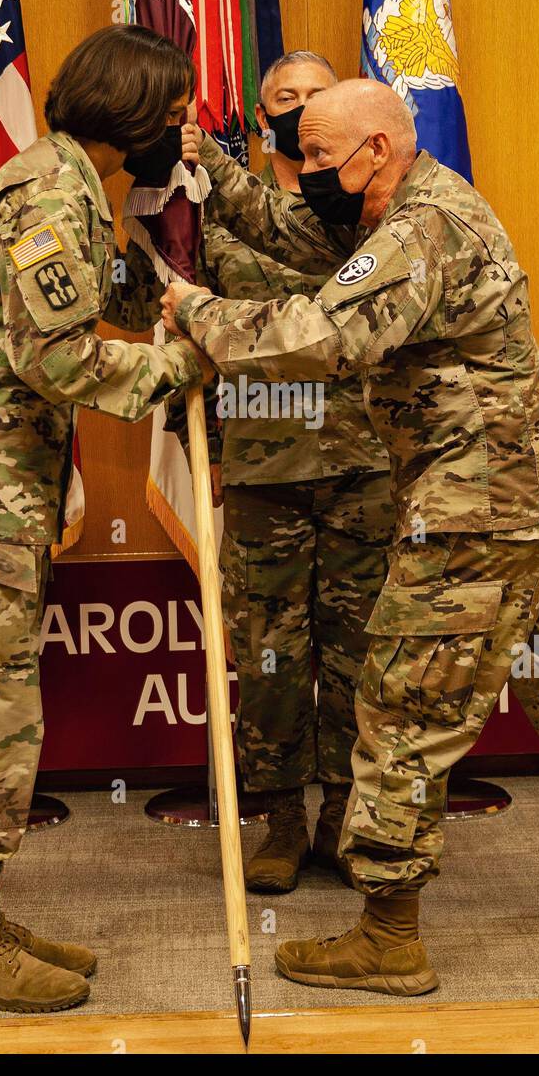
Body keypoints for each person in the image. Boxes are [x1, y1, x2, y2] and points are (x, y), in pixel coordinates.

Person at [162, 77, 539, 997]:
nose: (305, 173)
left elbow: (320, 337)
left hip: (475, 512)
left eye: (317, 156)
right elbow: (294, 234)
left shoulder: (424, 229)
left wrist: (197, 313)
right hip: (527, 503)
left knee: (400, 703)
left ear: (374, 152)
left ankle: (389, 933)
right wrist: (213, 172)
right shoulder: (398, 211)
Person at [0, 24, 213, 1014]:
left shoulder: (74, 183)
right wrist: (175, 367)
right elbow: (56, 358)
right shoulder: (46, 191)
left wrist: (170, 287)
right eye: (171, 115)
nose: (180, 130)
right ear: (128, 117)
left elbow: (93, 294)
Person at [170, 52, 394, 893]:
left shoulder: (367, 211)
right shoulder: (222, 220)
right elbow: (168, 307)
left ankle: (343, 811)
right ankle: (280, 819)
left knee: (356, 650)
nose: (298, 108)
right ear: (266, 122)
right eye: (282, 100)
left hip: (362, 461)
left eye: (314, 96)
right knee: (268, 653)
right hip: (265, 464)